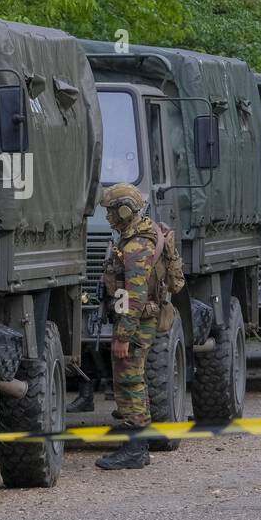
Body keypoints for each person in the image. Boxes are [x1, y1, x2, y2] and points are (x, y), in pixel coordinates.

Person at [96, 183, 163, 469]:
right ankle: (137, 445)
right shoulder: (133, 237)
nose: (109, 217)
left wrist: (123, 335)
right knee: (133, 381)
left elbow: (133, 296)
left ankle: (134, 450)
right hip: (136, 322)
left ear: (125, 210)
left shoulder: (136, 245)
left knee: (130, 382)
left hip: (134, 324)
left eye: (112, 211)